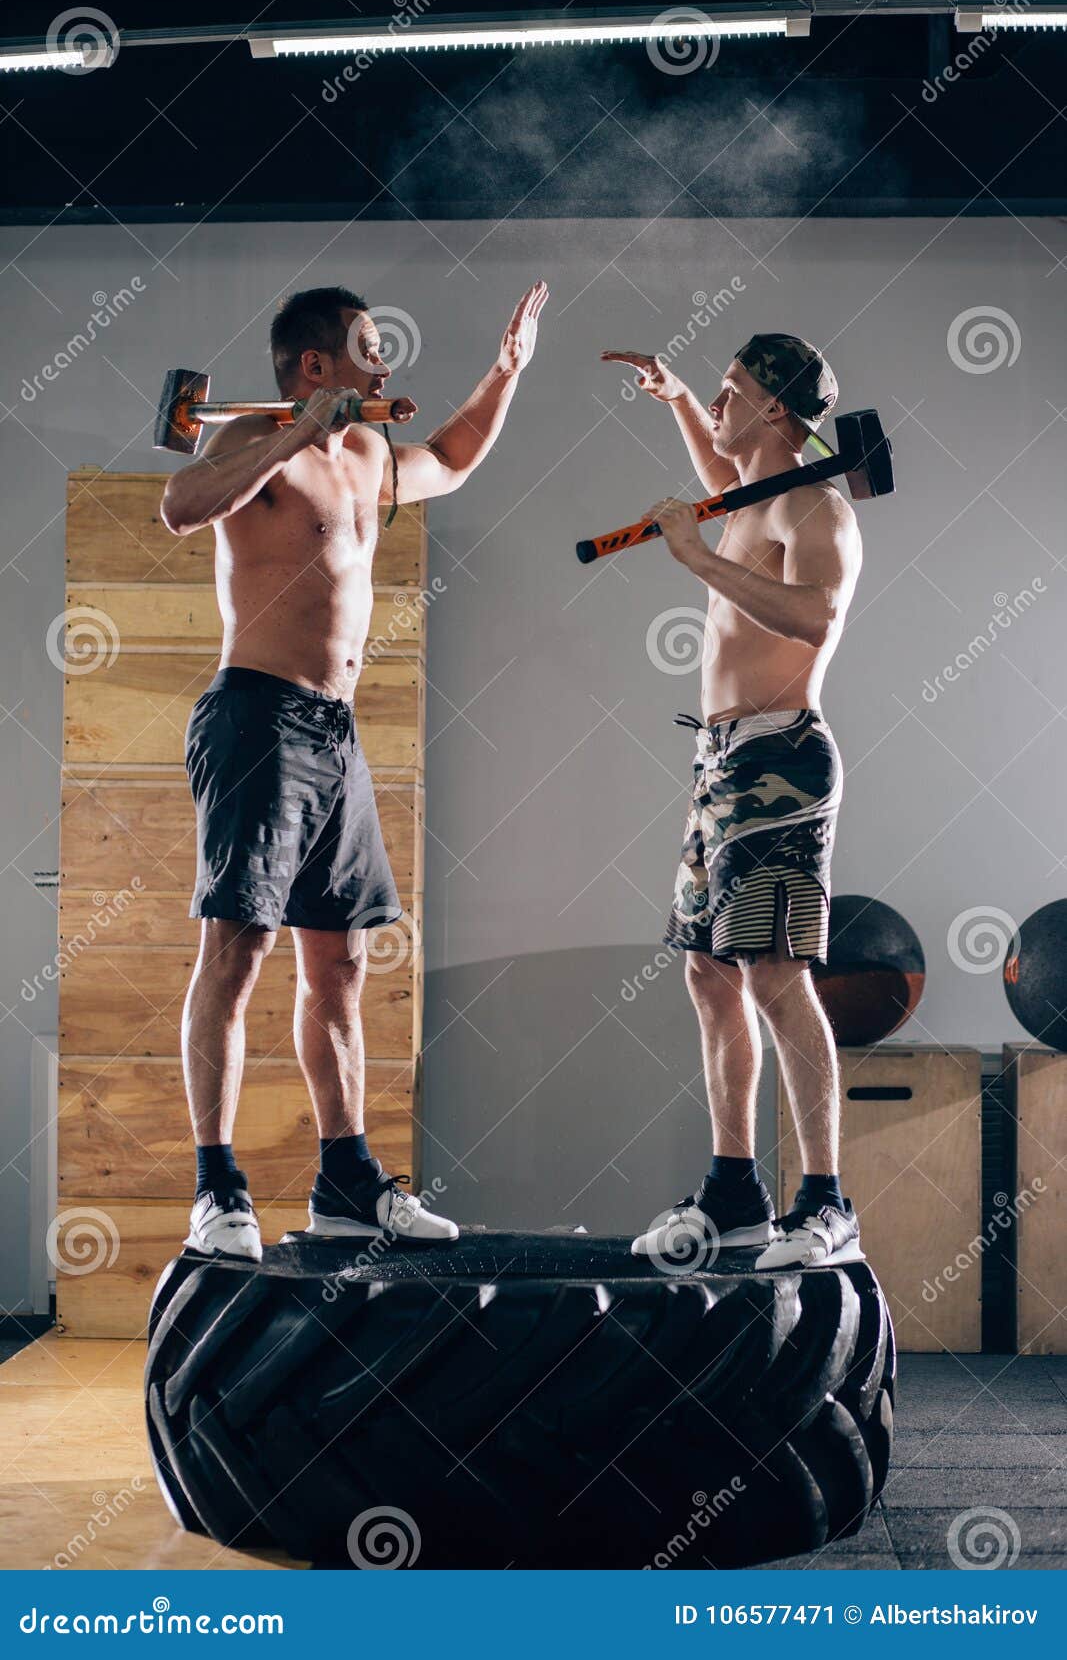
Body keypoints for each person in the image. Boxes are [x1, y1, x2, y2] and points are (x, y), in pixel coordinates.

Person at [161, 279, 548, 1260]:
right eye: (370, 349)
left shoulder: (370, 455)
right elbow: (179, 506)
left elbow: (453, 460)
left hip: (333, 733)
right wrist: (294, 436)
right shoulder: (247, 453)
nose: (386, 365)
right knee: (238, 949)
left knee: (339, 960)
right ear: (315, 366)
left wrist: (505, 373)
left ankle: (346, 1182)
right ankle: (218, 1189)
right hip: (254, 714)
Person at [601, 333, 864, 1269]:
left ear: (773, 410)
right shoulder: (753, 493)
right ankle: (734, 1194)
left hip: (780, 761)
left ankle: (826, 1205)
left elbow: (814, 614)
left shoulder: (814, 503)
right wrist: (676, 395)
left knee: (772, 975)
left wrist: (694, 561)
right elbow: (719, 465)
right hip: (719, 766)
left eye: (727, 390)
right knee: (708, 974)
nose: (717, 401)